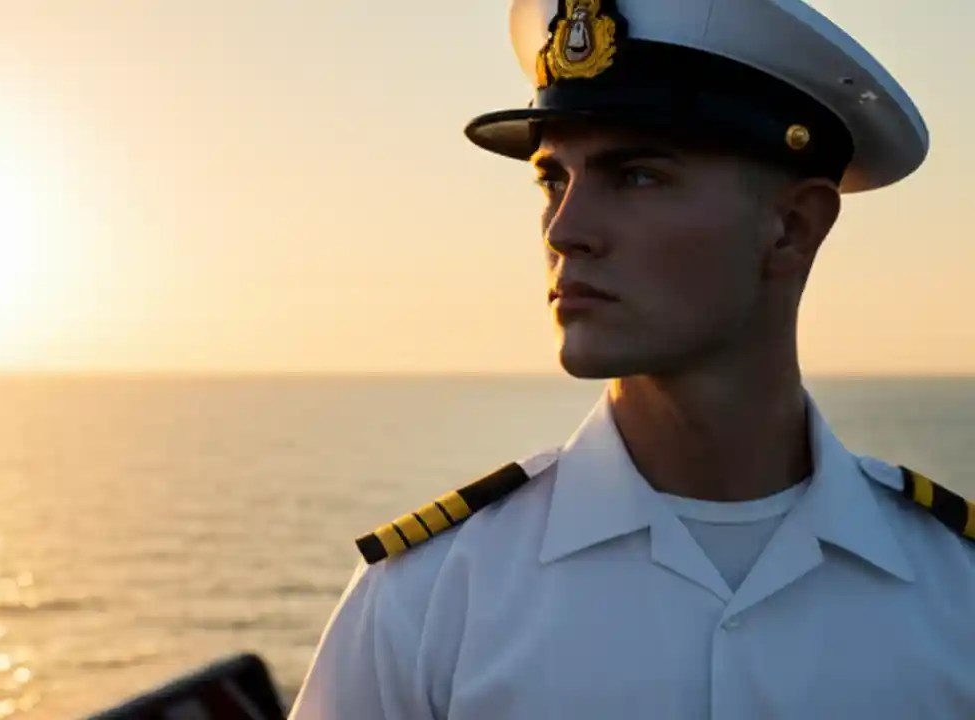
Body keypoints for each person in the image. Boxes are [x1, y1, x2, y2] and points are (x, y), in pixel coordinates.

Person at [287, 0, 975, 717]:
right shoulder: (426, 601)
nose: (565, 230)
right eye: (553, 180)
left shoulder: (958, 596)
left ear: (792, 228)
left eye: (637, 176)